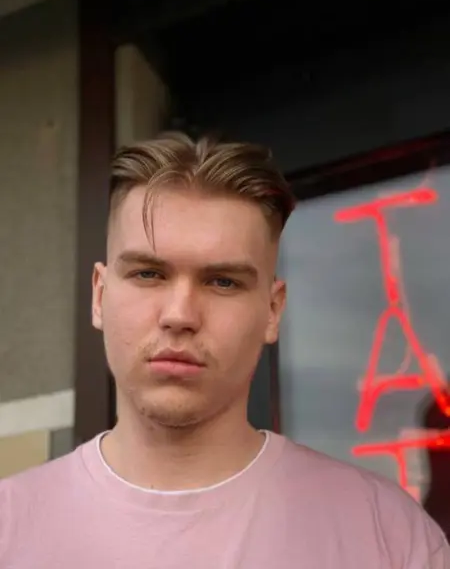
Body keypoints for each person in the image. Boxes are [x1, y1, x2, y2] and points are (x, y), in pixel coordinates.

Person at [0, 131, 449, 568]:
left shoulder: (387, 536)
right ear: (99, 296)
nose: (180, 314)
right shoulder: (9, 528)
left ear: (272, 311)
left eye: (222, 282)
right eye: (148, 274)